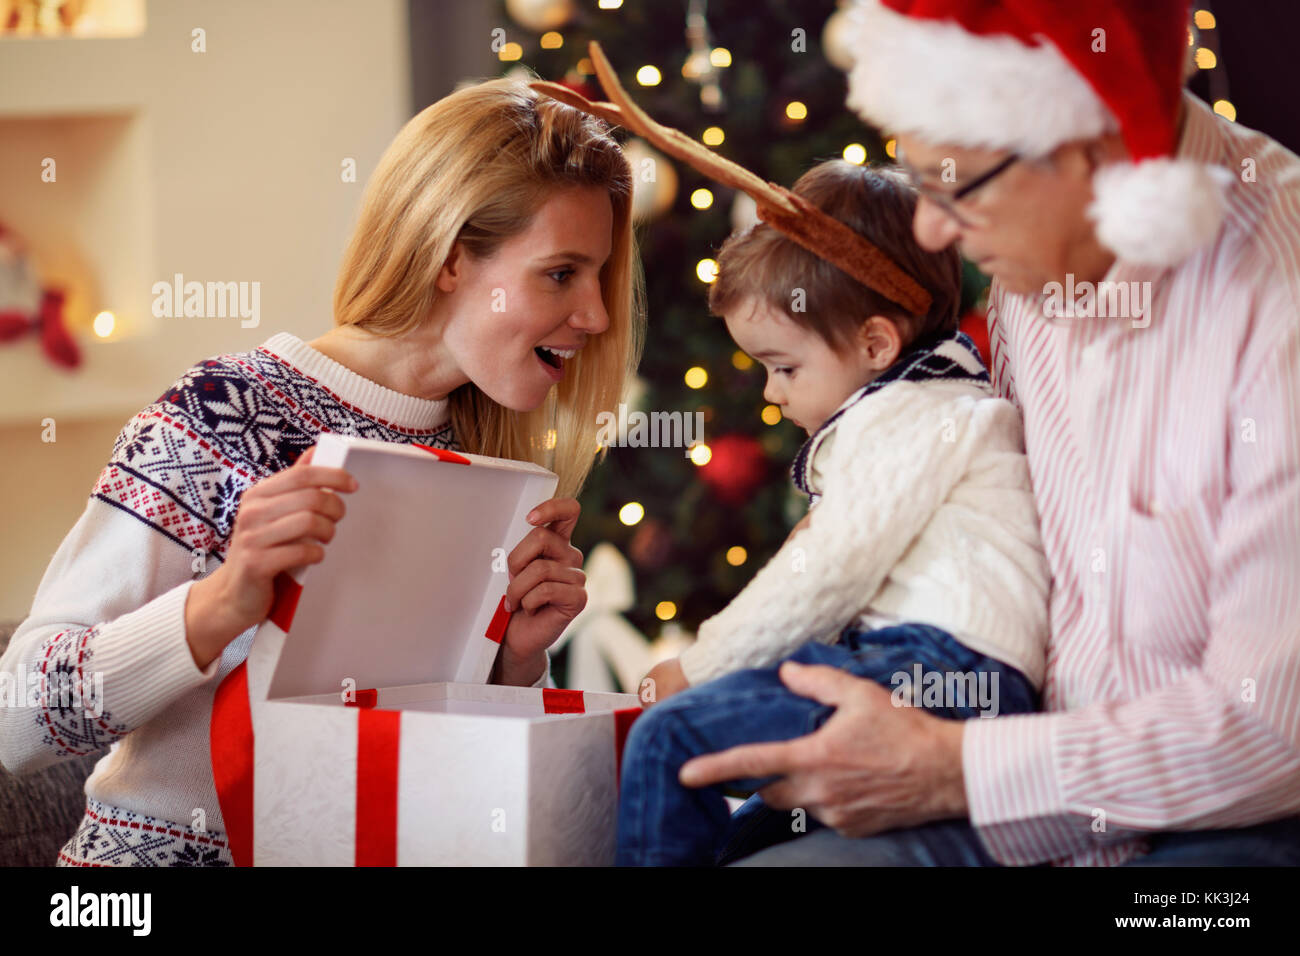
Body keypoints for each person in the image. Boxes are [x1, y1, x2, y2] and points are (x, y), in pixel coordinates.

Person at [679, 0, 1300, 867]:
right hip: (1016, 804)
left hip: (1220, 837)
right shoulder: (1029, 274)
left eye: (955, 183)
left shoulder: (1279, 305)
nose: (933, 230)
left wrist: (954, 769)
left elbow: (1271, 732)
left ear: (1092, 148)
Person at [0, 77, 644, 866]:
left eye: (598, 277)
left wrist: (513, 664)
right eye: (561, 273)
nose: (597, 316)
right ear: (448, 259)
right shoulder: (221, 412)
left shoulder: (490, 466)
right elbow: (18, 720)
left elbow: (420, 780)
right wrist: (220, 604)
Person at [615, 161, 1050, 866]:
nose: (770, 394)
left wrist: (698, 669)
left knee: (670, 737)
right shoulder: (941, 402)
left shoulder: (907, 416)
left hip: (941, 672)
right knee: (753, 828)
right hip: (939, 674)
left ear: (876, 344)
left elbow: (826, 576)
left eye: (783, 367)